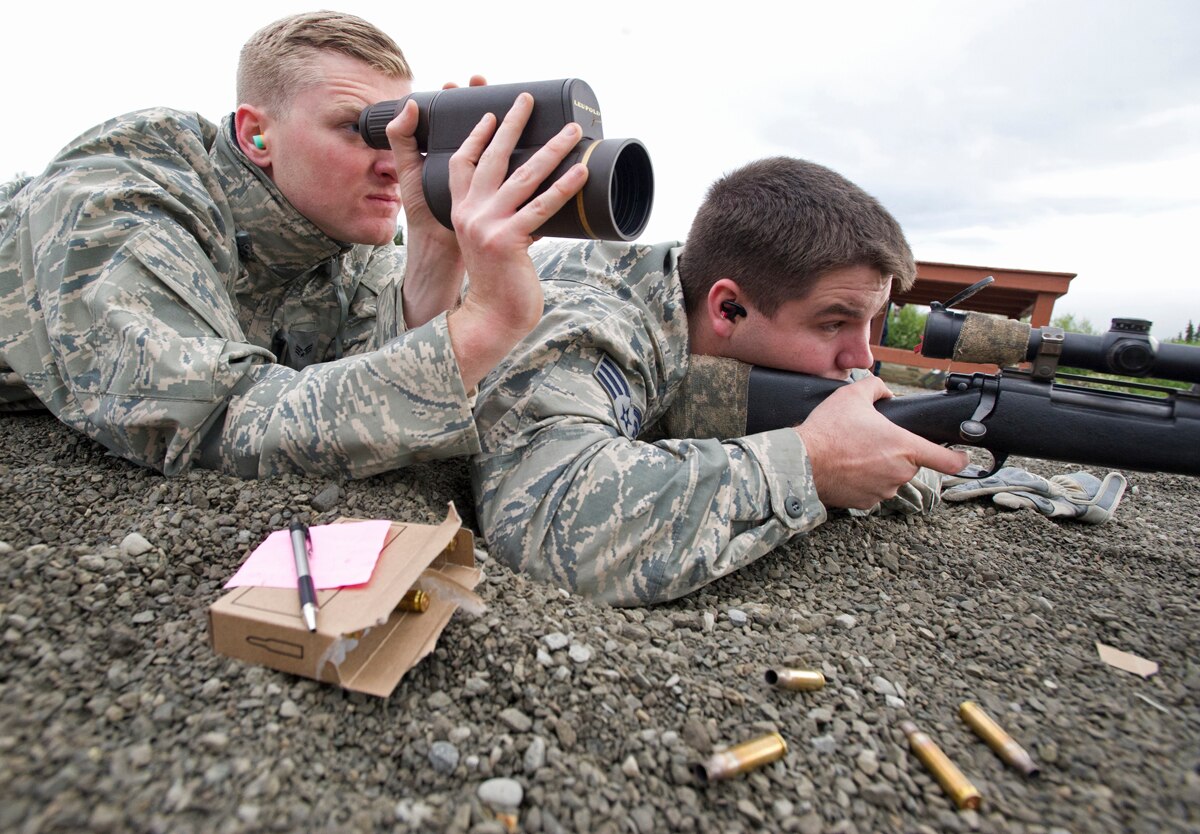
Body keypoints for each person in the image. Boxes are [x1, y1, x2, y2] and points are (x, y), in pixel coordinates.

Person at [0, 10, 587, 478]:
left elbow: (360, 368)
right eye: (361, 130)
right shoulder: (119, 203)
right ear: (257, 134)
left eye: (411, 136)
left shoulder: (333, 235)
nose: (394, 164)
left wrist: (438, 253)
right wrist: (484, 324)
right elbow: (207, 419)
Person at [470, 157, 969, 606]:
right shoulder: (596, 321)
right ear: (728, 308)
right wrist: (810, 462)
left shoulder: (785, 333)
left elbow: (901, 459)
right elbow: (550, 522)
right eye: (833, 323)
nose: (862, 357)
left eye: (870, 322)